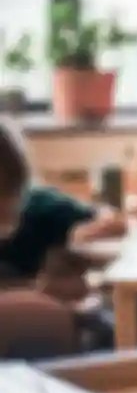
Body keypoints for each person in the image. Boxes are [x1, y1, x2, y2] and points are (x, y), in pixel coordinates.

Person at [0, 121, 125, 305]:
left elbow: (113, 221)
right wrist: (35, 291)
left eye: (9, 191)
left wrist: (87, 234)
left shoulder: (41, 207)